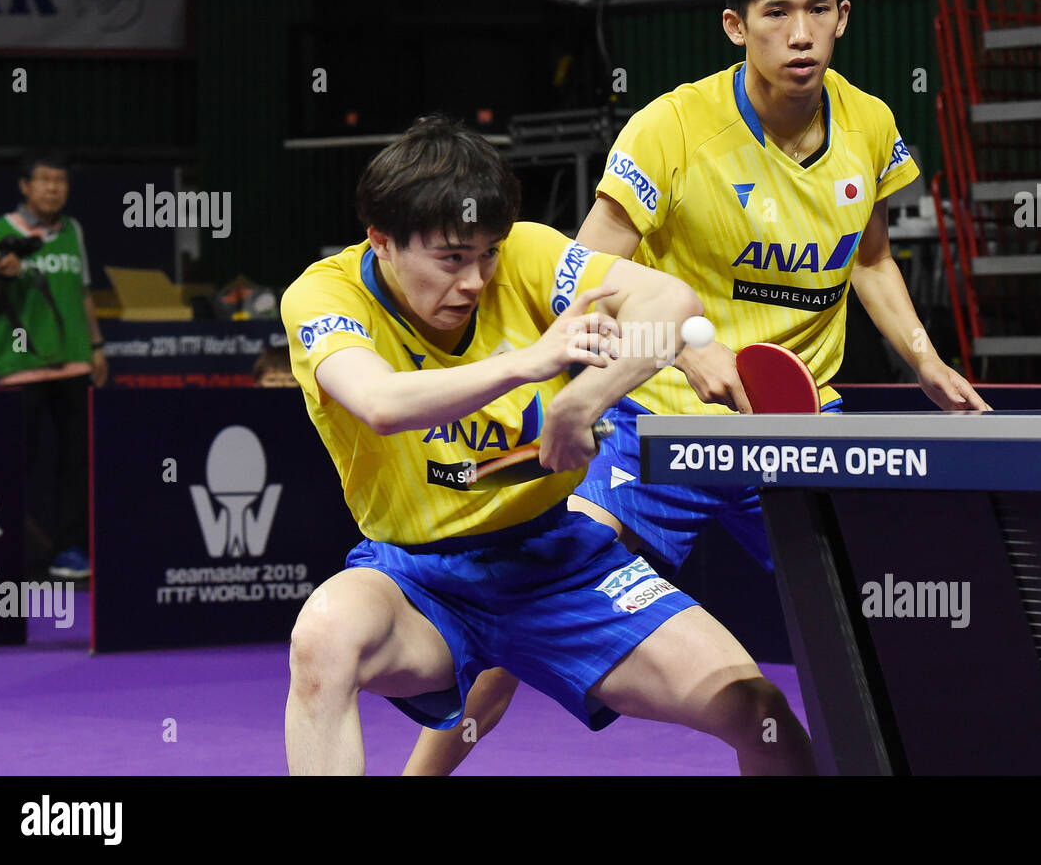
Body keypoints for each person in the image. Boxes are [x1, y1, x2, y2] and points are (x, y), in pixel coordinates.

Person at [404, 0, 992, 775]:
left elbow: (869, 256)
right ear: (735, 25)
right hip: (659, 429)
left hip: (796, 433)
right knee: (530, 602)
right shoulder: (671, 129)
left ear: (844, 17)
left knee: (883, 619)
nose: (800, 34)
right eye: (775, 13)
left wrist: (925, 358)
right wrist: (681, 345)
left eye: (817, 9)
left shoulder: (867, 125)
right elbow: (583, 276)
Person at [281, 115, 816, 775]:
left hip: (558, 562)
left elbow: (672, 301)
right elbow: (380, 403)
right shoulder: (324, 295)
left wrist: (583, 399)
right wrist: (529, 362)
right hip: (419, 579)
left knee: (759, 713)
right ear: (383, 242)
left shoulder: (530, 254)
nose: (476, 280)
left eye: (487, 254)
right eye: (451, 258)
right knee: (323, 634)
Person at [0, 151, 108, 580]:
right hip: (19, 367)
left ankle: (70, 552)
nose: (53, 188)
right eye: (45, 180)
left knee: (78, 464)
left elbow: (84, 292)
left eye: (60, 181)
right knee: (15, 463)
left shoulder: (73, 231)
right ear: (25, 186)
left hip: (73, 366)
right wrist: (0, 279)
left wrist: (97, 346)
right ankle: (14, 553)